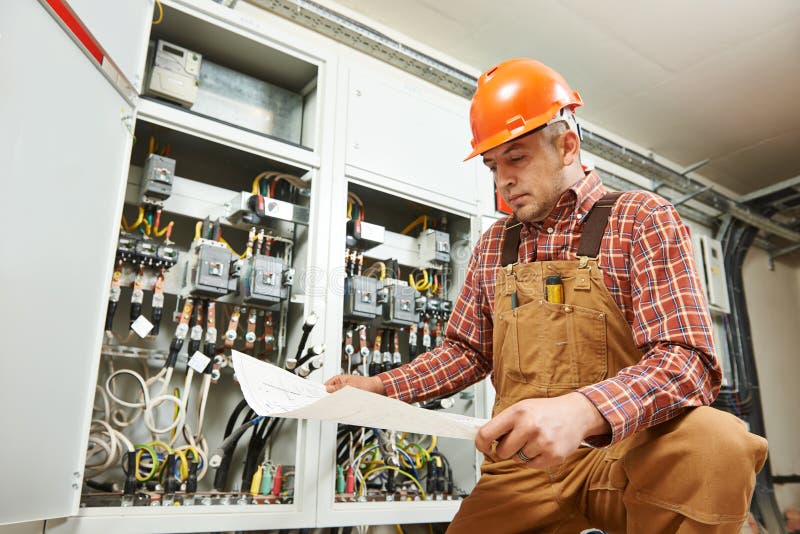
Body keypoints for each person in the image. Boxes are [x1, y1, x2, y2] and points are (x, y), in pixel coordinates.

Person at [326, 57, 768, 533]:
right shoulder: (494, 245)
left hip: (626, 455)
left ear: (567, 146)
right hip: (523, 466)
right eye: (493, 165)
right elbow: (467, 350)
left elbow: (687, 361)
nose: (503, 180)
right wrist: (382, 388)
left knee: (717, 442)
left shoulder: (640, 218)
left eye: (516, 158)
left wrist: (583, 411)